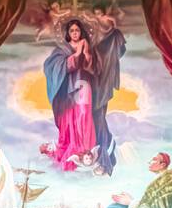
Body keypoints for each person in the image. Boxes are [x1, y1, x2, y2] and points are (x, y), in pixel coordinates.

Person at [43, 17, 125, 176]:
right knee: (70, 118)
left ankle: (85, 148)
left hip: (83, 83)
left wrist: (85, 52)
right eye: (72, 30)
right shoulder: (61, 50)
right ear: (68, 33)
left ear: (81, 32)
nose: (75, 33)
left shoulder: (86, 45)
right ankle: (73, 147)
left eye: (77, 30)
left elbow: (93, 67)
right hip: (67, 89)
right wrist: (76, 55)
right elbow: (51, 66)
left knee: (83, 114)